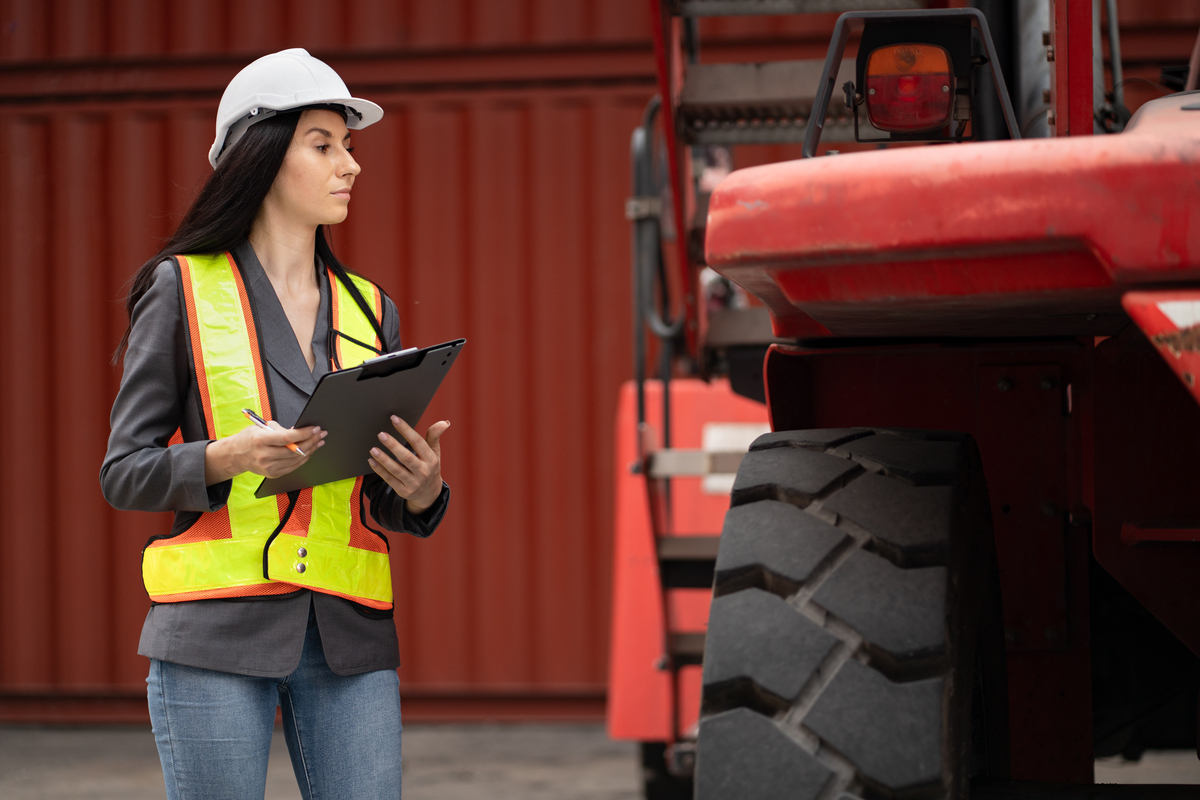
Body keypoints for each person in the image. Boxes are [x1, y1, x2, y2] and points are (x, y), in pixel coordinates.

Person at [100, 48, 448, 800]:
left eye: (348, 146)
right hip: (214, 636)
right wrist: (224, 460)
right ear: (258, 159)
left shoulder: (368, 308)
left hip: (349, 640)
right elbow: (123, 472)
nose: (349, 164)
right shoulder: (181, 287)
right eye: (323, 145)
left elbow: (377, 498)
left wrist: (420, 489)